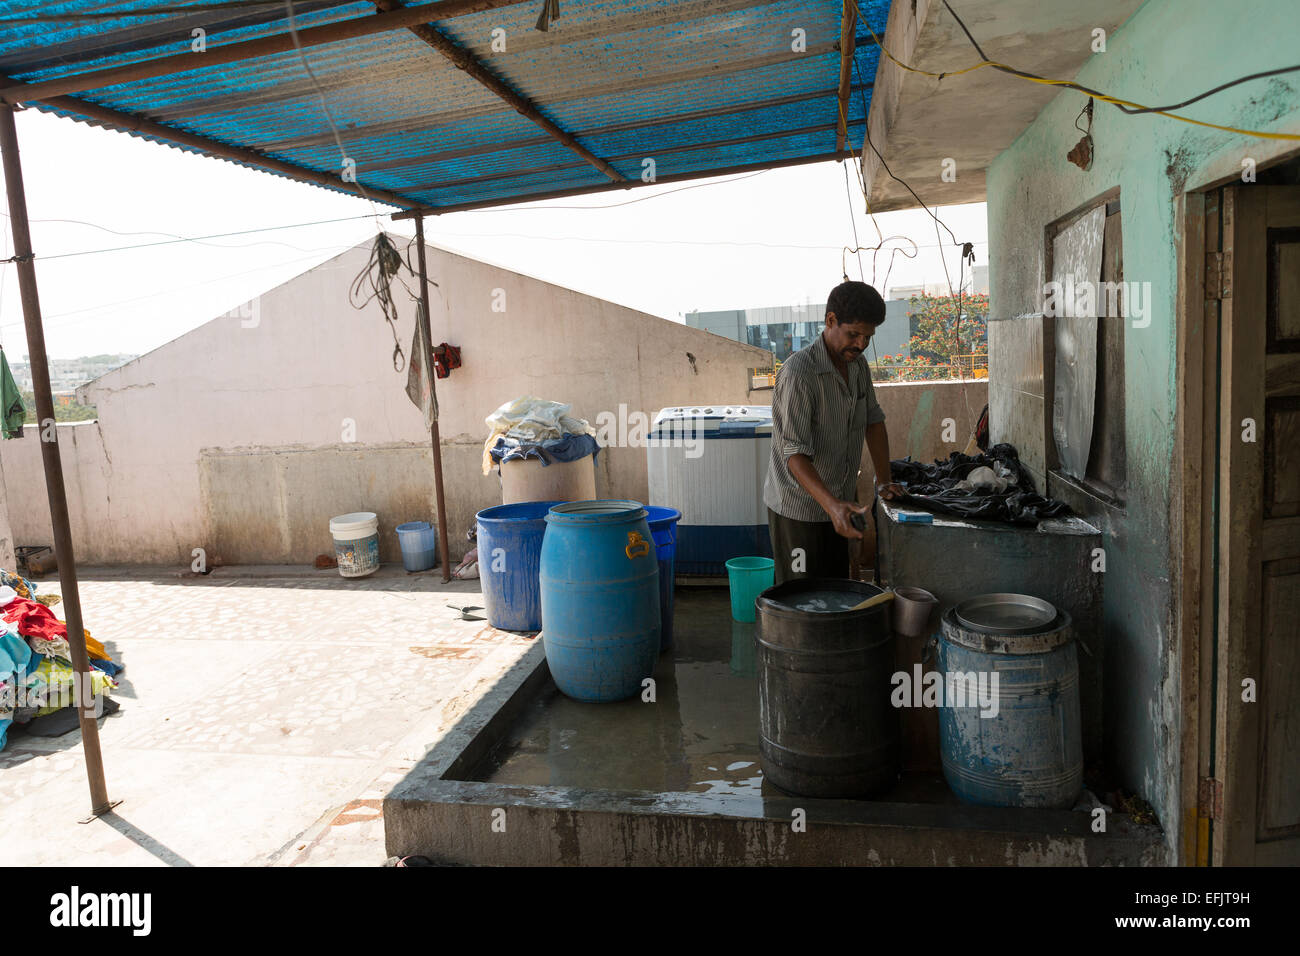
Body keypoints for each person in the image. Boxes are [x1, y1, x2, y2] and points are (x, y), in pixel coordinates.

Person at [762, 281, 904, 584]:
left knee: (836, 594)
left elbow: (873, 422)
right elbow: (795, 455)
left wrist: (884, 481)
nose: (861, 344)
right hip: (799, 510)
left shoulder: (858, 367)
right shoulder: (799, 374)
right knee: (801, 601)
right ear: (830, 321)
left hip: (840, 502)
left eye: (868, 337)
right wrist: (833, 506)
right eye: (854, 334)